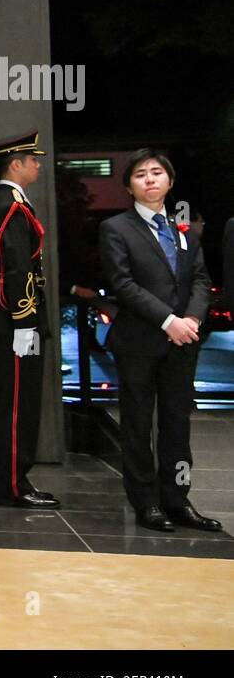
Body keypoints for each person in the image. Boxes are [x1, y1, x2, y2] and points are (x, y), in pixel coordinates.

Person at [98, 149, 221, 533]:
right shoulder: (116, 228)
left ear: (169, 181)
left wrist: (192, 319)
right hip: (138, 340)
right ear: (130, 186)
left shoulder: (183, 228)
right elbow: (123, 284)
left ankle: (178, 499)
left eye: (156, 173)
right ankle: (146, 502)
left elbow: (200, 279)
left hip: (183, 340)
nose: (149, 179)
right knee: (136, 423)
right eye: (140, 174)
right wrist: (168, 320)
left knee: (177, 423)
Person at [0, 130, 60, 508]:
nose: (38, 165)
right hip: (11, 316)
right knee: (12, 405)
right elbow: (15, 267)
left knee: (21, 401)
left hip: (10, 314)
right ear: (16, 164)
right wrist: (24, 321)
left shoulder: (11, 203)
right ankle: (11, 485)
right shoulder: (7, 206)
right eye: (33, 159)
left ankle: (17, 480)